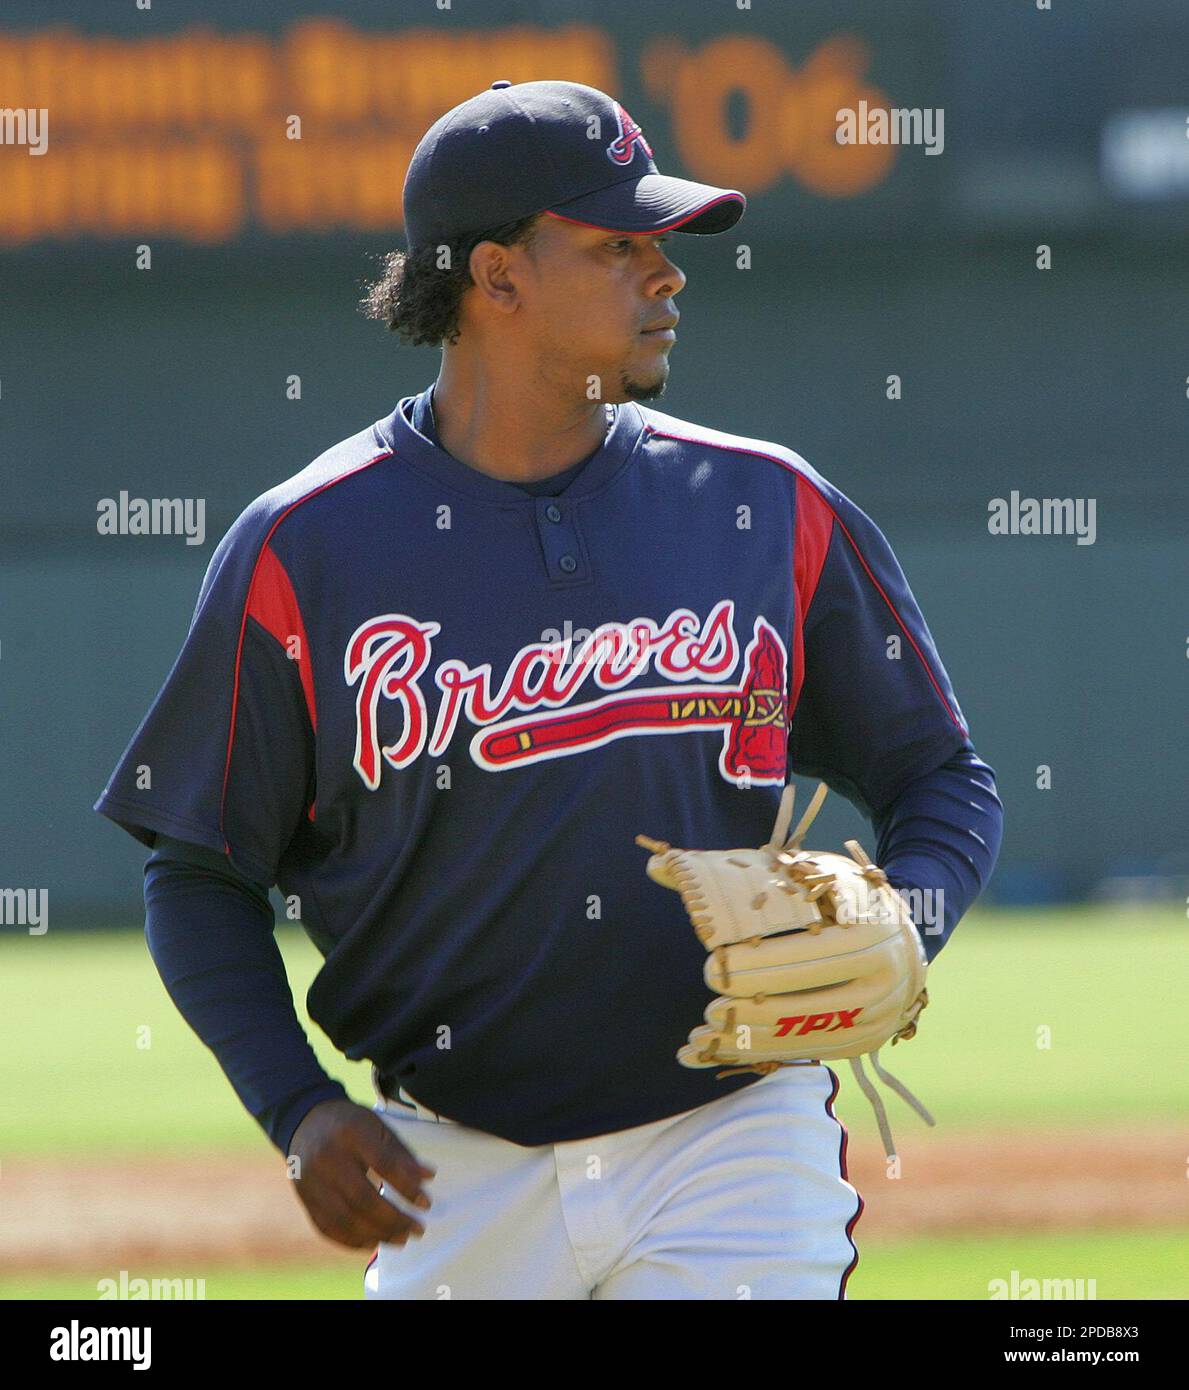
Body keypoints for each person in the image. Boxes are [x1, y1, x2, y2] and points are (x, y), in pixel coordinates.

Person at [96, 80, 1002, 1300]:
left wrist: (916, 916)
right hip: (448, 1166)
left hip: (730, 1140)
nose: (668, 274)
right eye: (620, 245)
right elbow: (200, 872)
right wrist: (298, 1108)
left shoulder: (764, 507)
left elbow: (938, 773)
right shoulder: (303, 549)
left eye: (665, 244)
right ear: (497, 276)